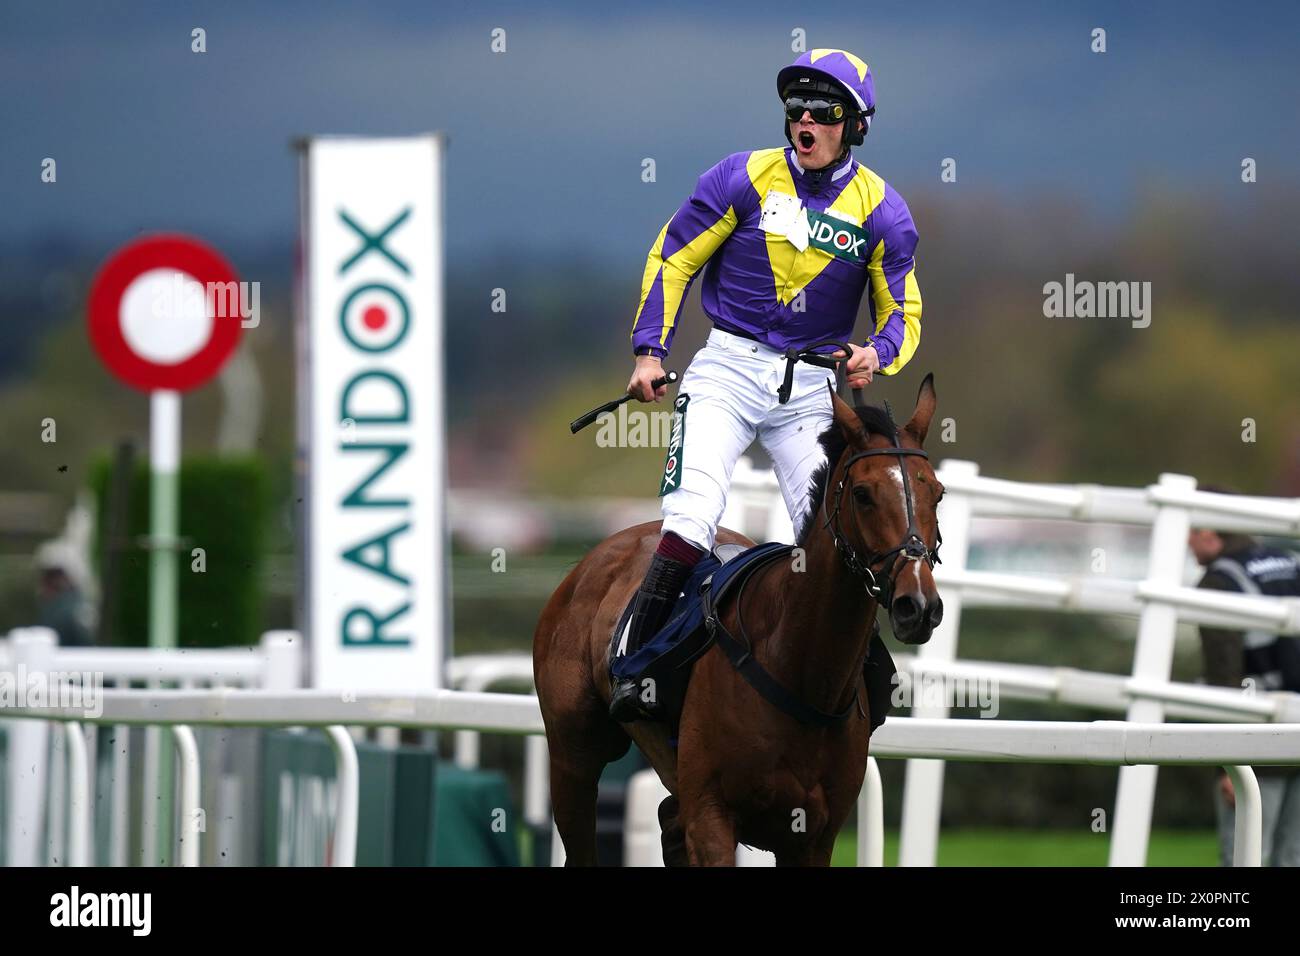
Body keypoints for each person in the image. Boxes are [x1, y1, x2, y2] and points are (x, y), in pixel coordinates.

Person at [610, 49, 924, 720]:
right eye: (796, 111)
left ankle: (863, 676)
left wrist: (880, 352)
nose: (806, 123)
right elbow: (674, 257)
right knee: (693, 520)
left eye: (825, 113)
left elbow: (903, 311)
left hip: (813, 392)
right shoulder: (742, 177)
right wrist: (647, 351)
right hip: (726, 371)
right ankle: (635, 666)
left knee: (841, 539)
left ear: (856, 126)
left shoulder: (885, 213)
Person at [1189, 484, 1300, 866]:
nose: (1187, 544)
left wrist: (1228, 762)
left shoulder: (1220, 581)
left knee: (1245, 859)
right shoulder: (1289, 561)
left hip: (1257, 743)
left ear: (1207, 531)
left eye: (1189, 530)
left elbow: (1224, 676)